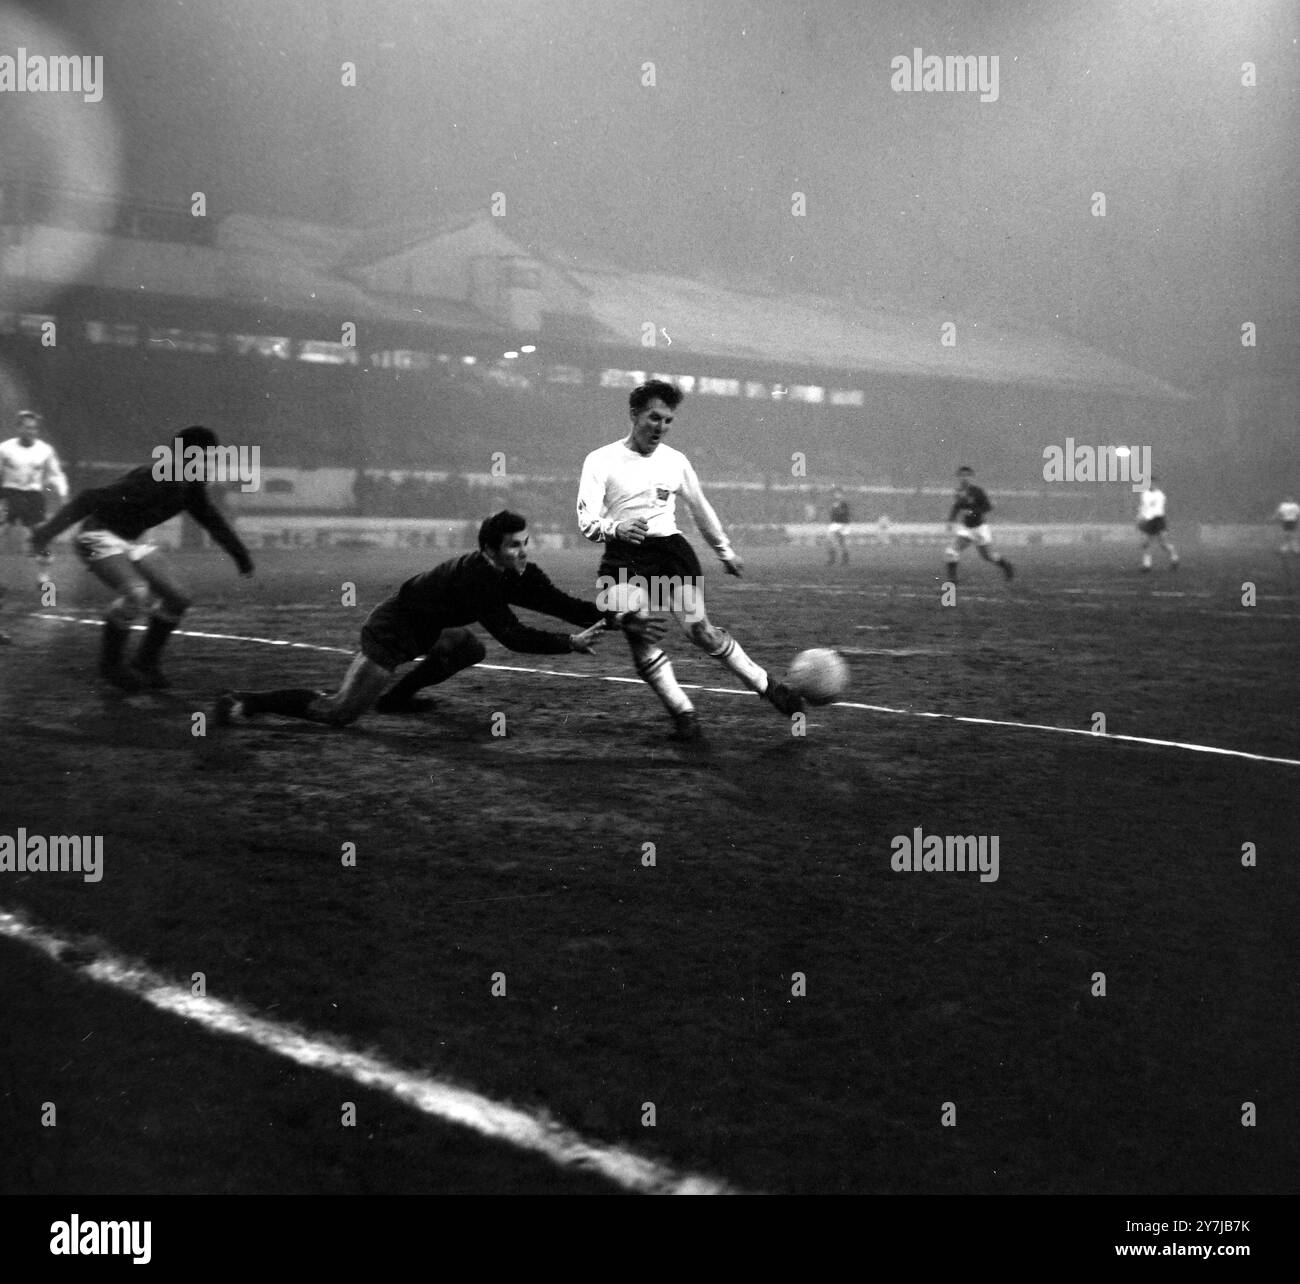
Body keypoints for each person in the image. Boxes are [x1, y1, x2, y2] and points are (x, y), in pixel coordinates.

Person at [215, 510, 664, 728]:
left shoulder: (519, 572)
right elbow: (514, 636)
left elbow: (566, 606)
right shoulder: (479, 578)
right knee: (340, 713)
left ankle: (396, 699)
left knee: (468, 647)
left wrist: (619, 618)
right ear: (490, 549)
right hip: (394, 630)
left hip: (430, 627)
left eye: (525, 542)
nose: (523, 551)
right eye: (513, 545)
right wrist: (568, 644)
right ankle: (247, 701)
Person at [576, 379, 803, 742]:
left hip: (670, 554)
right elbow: (586, 522)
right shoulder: (600, 460)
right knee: (640, 628)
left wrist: (724, 550)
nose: (661, 428)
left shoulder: (676, 462)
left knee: (700, 631)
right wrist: (617, 528)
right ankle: (684, 714)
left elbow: (700, 508)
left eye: (668, 421)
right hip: (624, 557)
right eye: (654, 418)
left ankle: (768, 686)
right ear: (634, 414)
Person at [30, 425, 254, 690]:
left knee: (178, 598)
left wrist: (239, 554)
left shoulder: (190, 485)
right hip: (97, 536)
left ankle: (145, 662)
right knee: (136, 593)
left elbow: (210, 519)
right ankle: (111, 666)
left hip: (133, 540)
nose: (210, 463)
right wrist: (45, 534)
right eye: (206, 456)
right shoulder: (154, 478)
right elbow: (89, 499)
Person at [0, 410, 68, 578]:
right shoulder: (5, 448)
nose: (31, 431)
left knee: (41, 536)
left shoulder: (44, 450)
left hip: (33, 496)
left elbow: (56, 474)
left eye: (34, 428)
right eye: (27, 428)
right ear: (18, 428)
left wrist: (63, 494)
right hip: (10, 493)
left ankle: (45, 582)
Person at [944, 465, 1013, 583]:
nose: (964, 478)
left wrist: (974, 512)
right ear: (958, 477)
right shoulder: (959, 492)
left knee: (988, 556)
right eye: (961, 476)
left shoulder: (977, 491)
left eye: (967, 475)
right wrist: (951, 520)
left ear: (971, 477)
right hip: (966, 528)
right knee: (951, 552)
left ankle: (1007, 566)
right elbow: (957, 506)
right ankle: (952, 579)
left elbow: (988, 506)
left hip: (979, 528)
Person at [1136, 476, 1178, 572]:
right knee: (1146, 542)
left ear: (1155, 483)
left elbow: (1156, 508)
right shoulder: (1144, 494)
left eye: (1151, 483)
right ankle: (1147, 565)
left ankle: (1174, 557)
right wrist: (1139, 517)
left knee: (1163, 543)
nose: (1149, 485)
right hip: (1148, 520)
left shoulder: (1160, 495)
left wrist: (1145, 515)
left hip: (1158, 519)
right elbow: (1143, 507)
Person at [827, 491, 851, 565]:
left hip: (842, 524)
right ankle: (834, 560)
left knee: (841, 543)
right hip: (836, 524)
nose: (836, 495)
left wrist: (836, 509)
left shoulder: (843, 504)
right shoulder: (835, 504)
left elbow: (844, 513)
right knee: (833, 542)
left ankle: (842, 560)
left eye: (838, 494)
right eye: (836, 494)